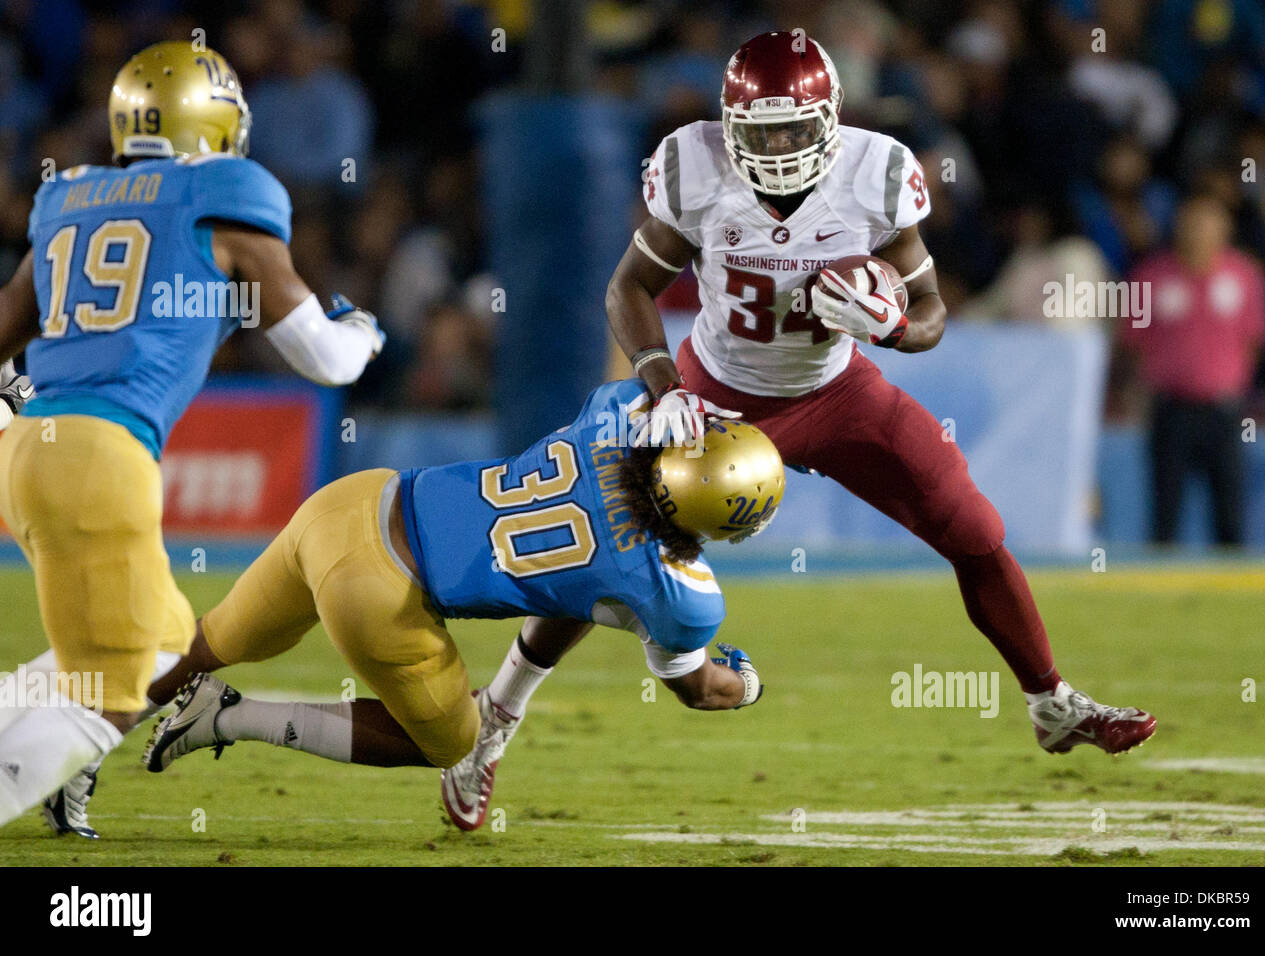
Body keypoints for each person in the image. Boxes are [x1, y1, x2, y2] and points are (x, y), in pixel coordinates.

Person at [440, 31, 1158, 828]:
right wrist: (663, 385)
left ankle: (1048, 700)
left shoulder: (876, 173)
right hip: (718, 399)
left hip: (841, 391)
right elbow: (628, 288)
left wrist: (889, 326)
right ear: (729, 124)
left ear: (831, 118)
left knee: (975, 529)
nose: (777, 148)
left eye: (793, 129)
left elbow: (932, 317)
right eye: (761, 130)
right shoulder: (698, 167)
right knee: (608, 557)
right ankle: (492, 724)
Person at [0, 41, 385, 836]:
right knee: (125, 675)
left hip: (29, 445)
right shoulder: (223, 191)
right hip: (101, 454)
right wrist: (364, 330)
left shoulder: (72, 197)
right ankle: (40, 767)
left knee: (157, 640)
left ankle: (45, 742)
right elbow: (325, 357)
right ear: (213, 125)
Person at [141, 381, 783, 828]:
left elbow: (582, 578)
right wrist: (748, 684)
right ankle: (226, 717)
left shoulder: (616, 411)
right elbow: (700, 689)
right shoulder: (672, 591)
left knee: (210, 639)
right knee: (449, 745)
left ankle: (80, 740)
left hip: (354, 501)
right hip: (379, 593)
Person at [1120, 194, 1265, 545]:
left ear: (1225, 228)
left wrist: (1228, 378)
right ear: (1177, 226)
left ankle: (1236, 593)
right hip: (1170, 409)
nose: (1199, 231)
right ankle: (1158, 590)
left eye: (1209, 222)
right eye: (1192, 222)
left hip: (1224, 409)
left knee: (1230, 511)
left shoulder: (1245, 276)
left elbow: (1256, 338)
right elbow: (1132, 342)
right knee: (1164, 511)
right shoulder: (1150, 276)